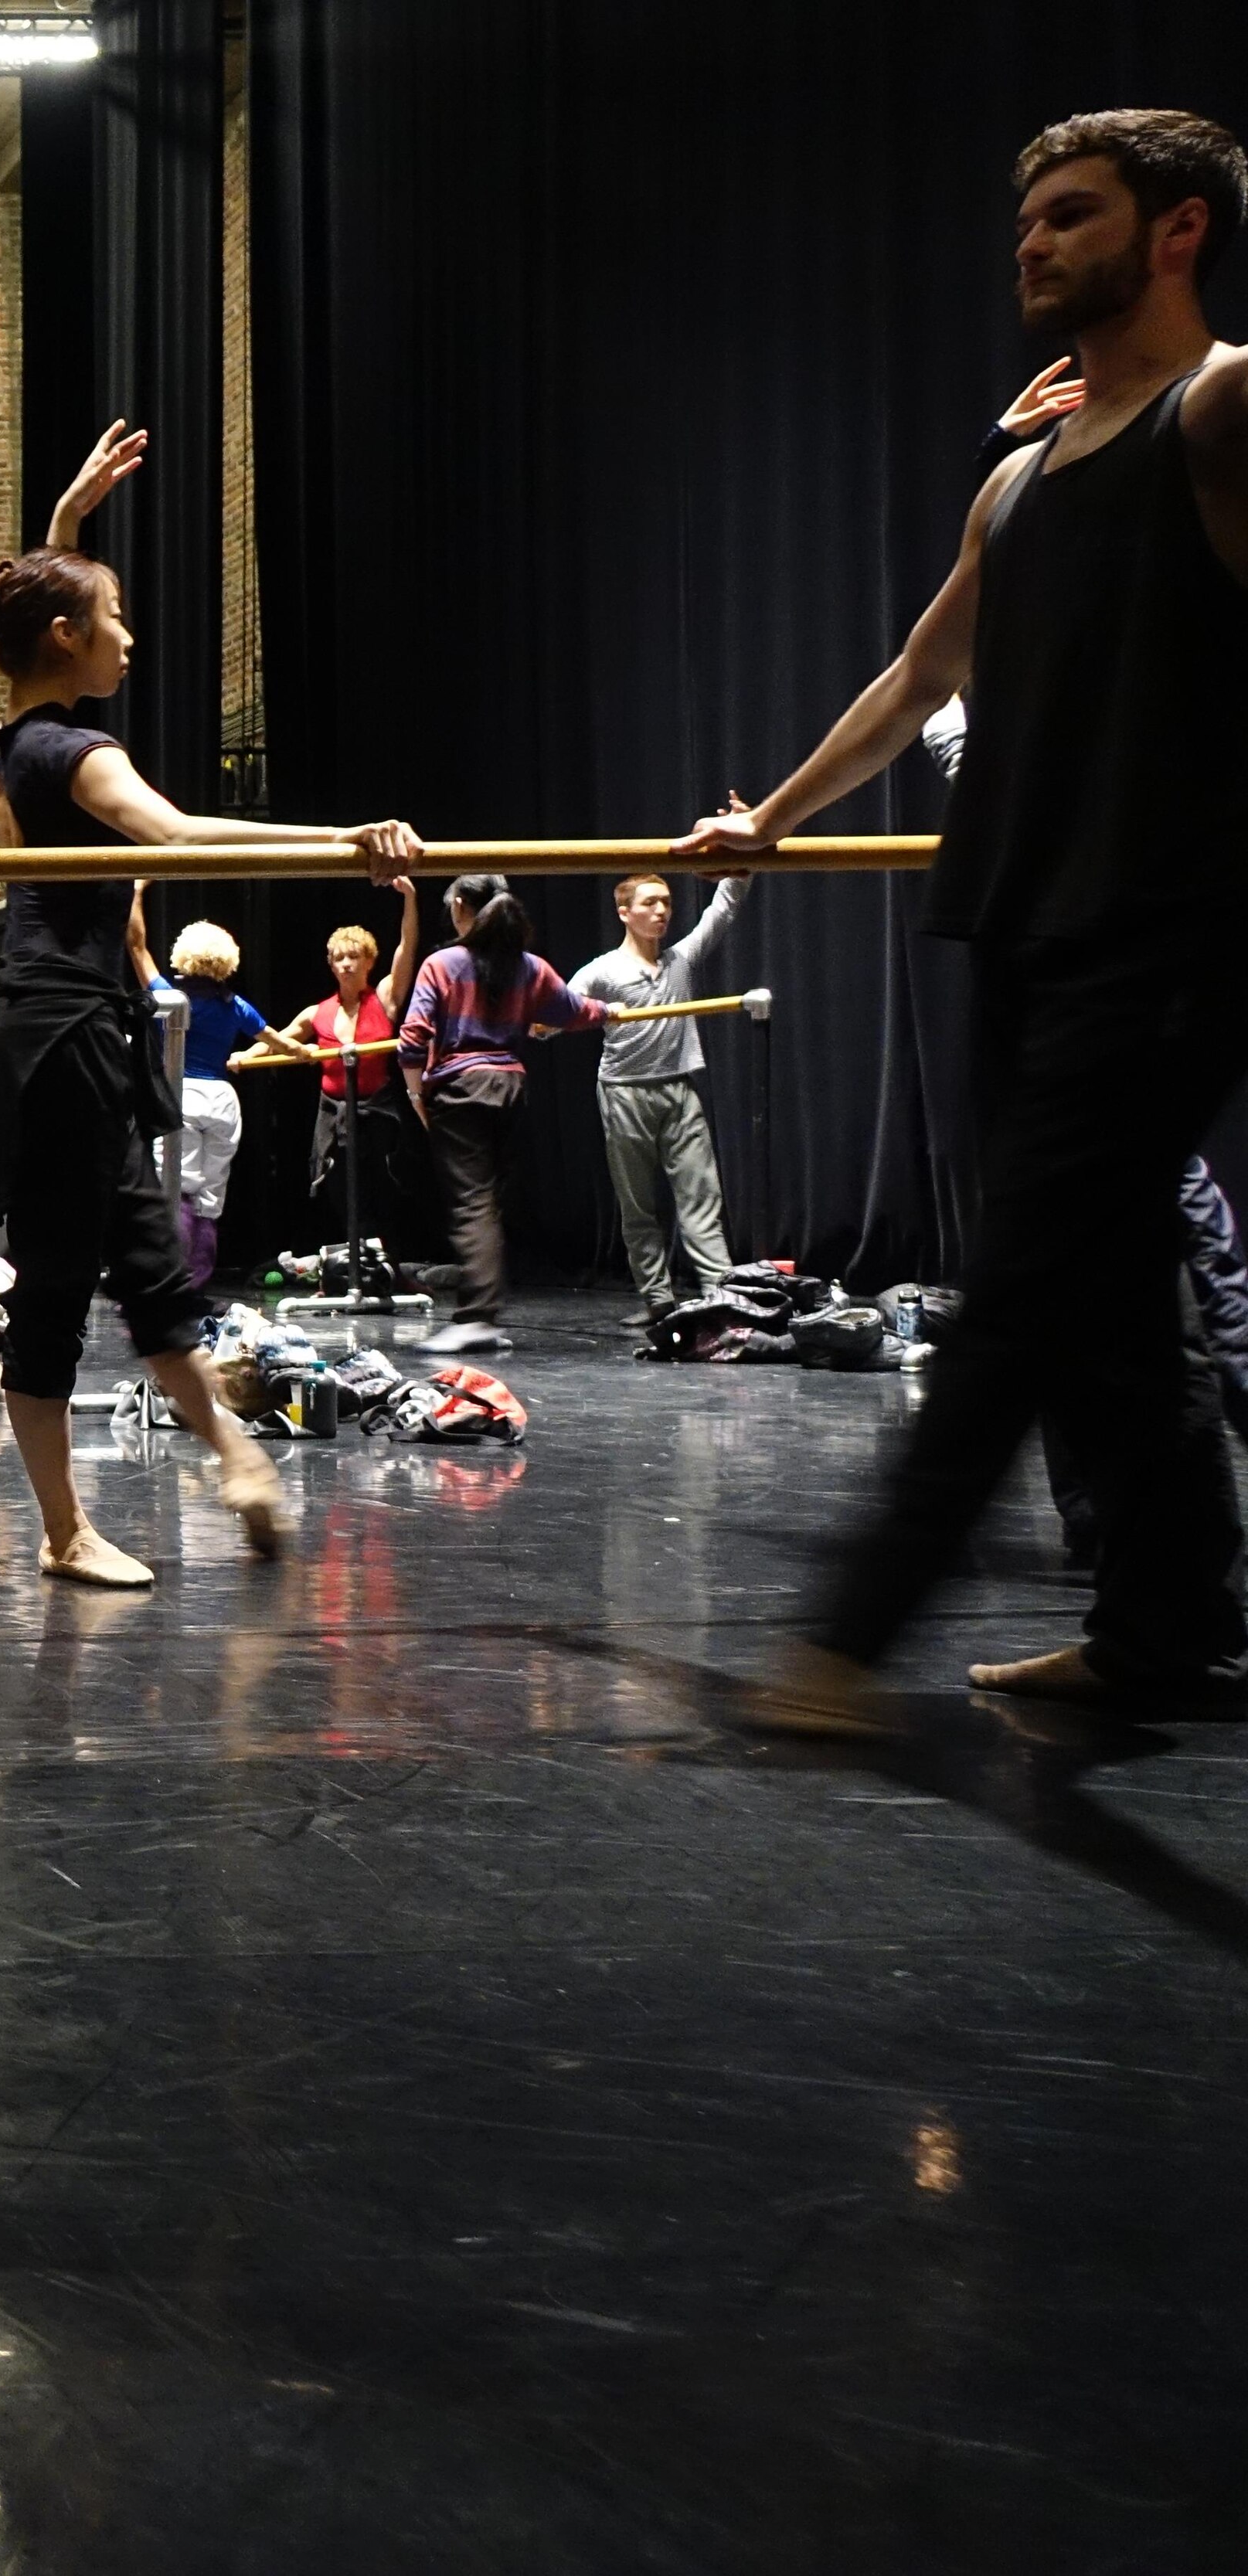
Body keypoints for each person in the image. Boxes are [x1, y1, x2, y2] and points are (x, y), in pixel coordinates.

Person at [700, 110, 1248, 1728]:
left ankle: (843, 1642)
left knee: (1019, 1284)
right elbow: (917, 678)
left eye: (1072, 216)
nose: (1032, 245)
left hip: (1171, 924)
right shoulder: (1019, 479)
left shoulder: (1224, 407)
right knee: (1100, 1296)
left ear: (1179, 231)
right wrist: (772, 817)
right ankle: (1166, 1629)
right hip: (1026, 917)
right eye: (1026, 223)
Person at [0, 420, 423, 1585]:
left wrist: (69, 526)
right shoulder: (71, 749)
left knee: (150, 1265)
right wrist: (344, 841)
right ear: (66, 636)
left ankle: (235, 1457)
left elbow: (38, 615)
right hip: (59, 1029)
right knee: (65, 1285)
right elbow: (171, 832)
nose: (129, 631)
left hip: (72, 1027)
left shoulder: (21, 733)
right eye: (109, 614)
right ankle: (66, 1531)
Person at [395, 872, 610, 1358]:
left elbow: (412, 1039)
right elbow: (573, 1010)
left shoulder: (443, 964)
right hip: (510, 1087)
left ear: (462, 908)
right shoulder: (528, 967)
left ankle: (477, 1319)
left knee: (472, 1202)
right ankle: (482, 1314)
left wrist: (416, 1096)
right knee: (487, 1200)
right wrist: (605, 1011)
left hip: (462, 1088)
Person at [570, 870, 748, 1324]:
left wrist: (739, 864)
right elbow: (558, 1011)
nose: (662, 911)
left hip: (679, 1090)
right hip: (623, 1094)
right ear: (624, 912)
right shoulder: (602, 970)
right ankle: (658, 1300)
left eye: (666, 902)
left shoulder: (681, 960)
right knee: (638, 1206)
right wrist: (541, 1021)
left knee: (701, 1198)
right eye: (650, 903)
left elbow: (722, 910)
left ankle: (720, 1296)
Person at [285, 886, 421, 1259]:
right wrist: (245, 1054)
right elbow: (277, 1041)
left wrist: (409, 899)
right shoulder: (318, 1012)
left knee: (382, 1184)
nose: (346, 964)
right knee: (339, 1188)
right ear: (331, 965)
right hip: (333, 1113)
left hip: (377, 1110)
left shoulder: (386, 998)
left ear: (368, 962)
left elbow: (407, 947)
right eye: (339, 958)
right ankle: (355, 1257)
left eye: (353, 957)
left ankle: (385, 1259)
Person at [163, 919, 267, 1287]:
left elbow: (138, 948)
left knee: (177, 1190)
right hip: (223, 1100)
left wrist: (138, 895)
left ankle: (173, 1287)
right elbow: (273, 1039)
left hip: (184, 1094)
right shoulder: (234, 1004)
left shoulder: (170, 998)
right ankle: (197, 1283)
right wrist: (301, 1051)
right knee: (210, 1197)